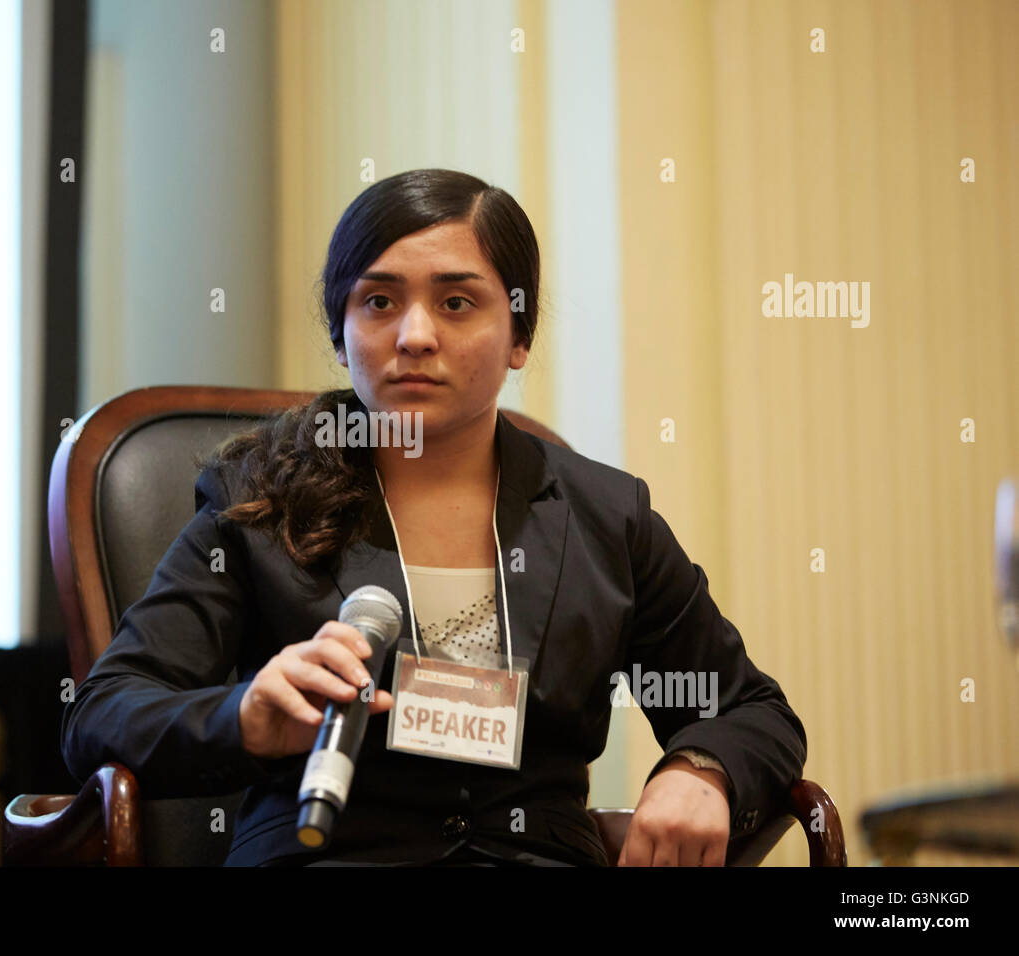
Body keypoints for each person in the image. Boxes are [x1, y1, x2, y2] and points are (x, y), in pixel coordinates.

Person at [60, 168, 806, 867]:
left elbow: (748, 707)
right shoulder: (257, 499)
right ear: (341, 330)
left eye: (456, 302)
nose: (414, 335)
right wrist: (245, 715)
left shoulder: (606, 517)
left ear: (518, 337)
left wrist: (700, 768)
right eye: (379, 301)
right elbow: (105, 712)